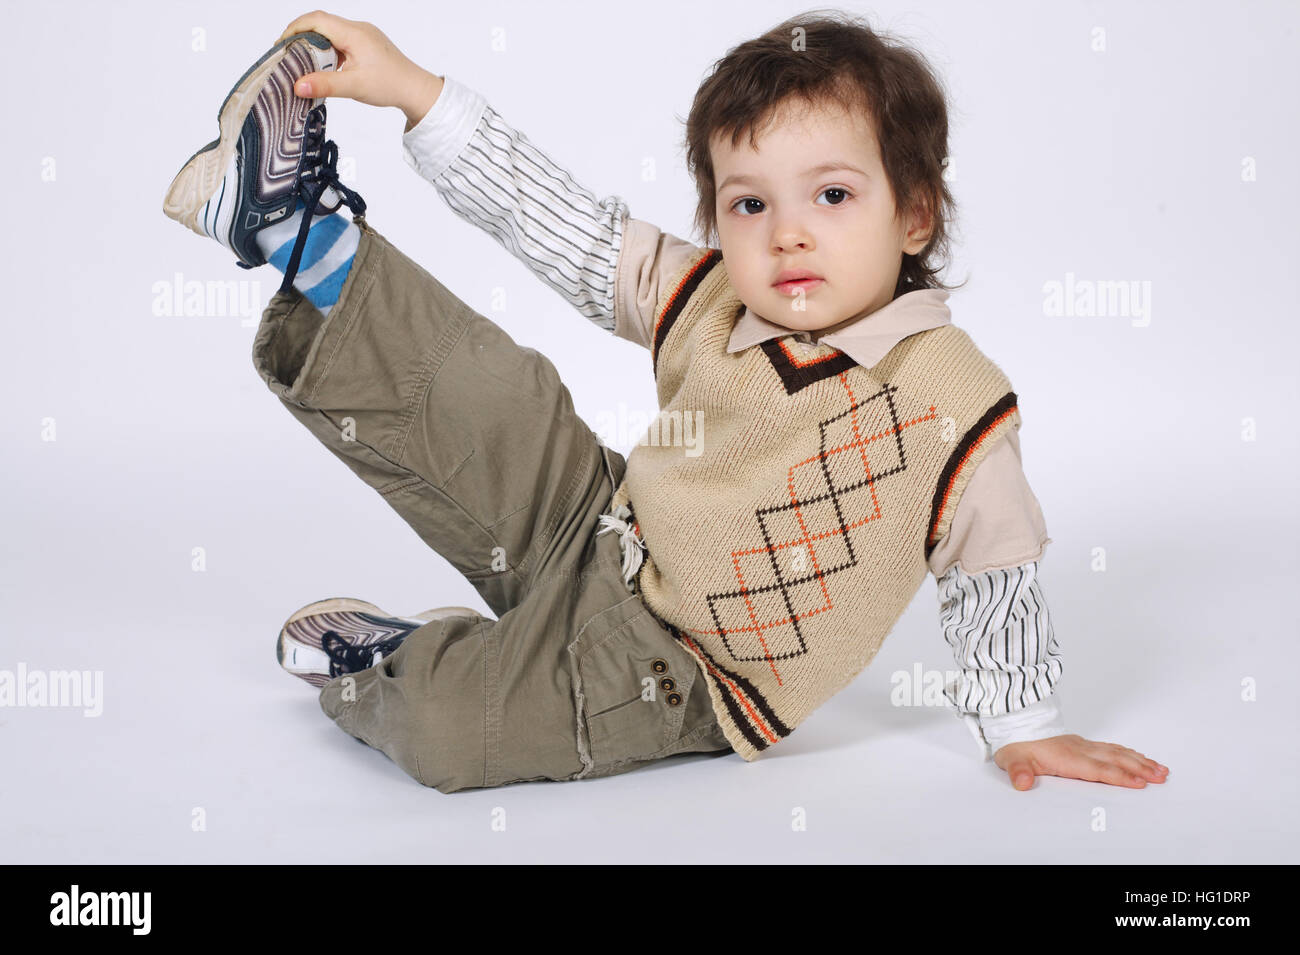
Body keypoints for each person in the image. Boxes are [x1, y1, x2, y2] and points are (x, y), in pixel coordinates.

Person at [161, 10, 1168, 794]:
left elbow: (993, 573)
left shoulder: (954, 399)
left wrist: (1026, 727)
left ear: (911, 212)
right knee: (488, 389)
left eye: (831, 195)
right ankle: (299, 227)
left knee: (445, 733)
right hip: (599, 526)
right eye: (748, 203)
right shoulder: (714, 295)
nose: (786, 236)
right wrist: (414, 92)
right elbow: (557, 221)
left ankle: (395, 660)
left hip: (680, 674)